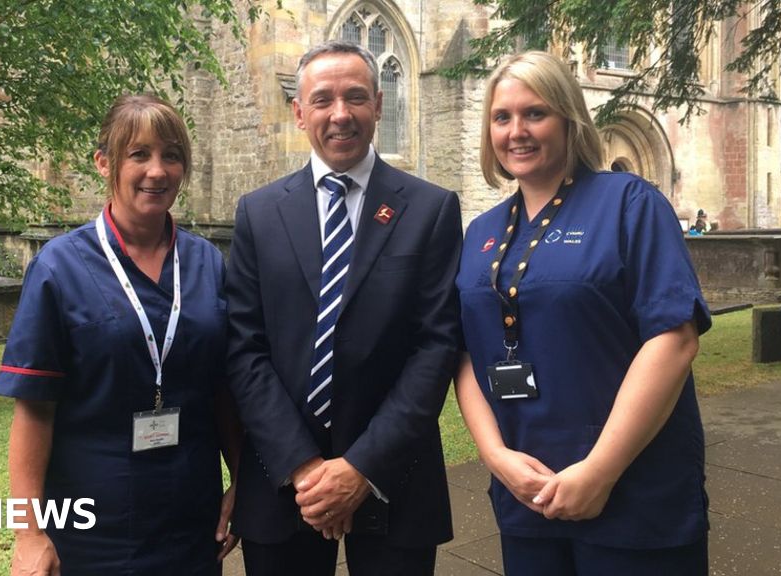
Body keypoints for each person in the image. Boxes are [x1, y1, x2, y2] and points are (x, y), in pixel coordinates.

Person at [454, 51, 712, 575]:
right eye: (502, 117)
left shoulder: (630, 203)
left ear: (570, 119)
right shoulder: (481, 231)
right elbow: (461, 351)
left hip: (633, 495)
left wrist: (599, 471)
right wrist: (495, 457)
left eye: (536, 113)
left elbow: (675, 337)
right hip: (527, 493)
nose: (516, 131)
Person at [225, 41, 462, 576]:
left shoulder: (431, 210)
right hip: (285, 480)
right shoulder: (258, 214)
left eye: (355, 98)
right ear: (299, 111)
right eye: (323, 99)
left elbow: (436, 346)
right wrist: (307, 468)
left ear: (379, 104)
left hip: (394, 476)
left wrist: (359, 468)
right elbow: (244, 348)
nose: (340, 114)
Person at [0, 94, 240, 575]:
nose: (158, 170)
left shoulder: (207, 262)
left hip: (191, 518)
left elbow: (224, 389)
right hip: (93, 523)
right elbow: (34, 406)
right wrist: (29, 532)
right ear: (104, 162)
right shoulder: (59, 266)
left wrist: (243, 480)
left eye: (172, 155)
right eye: (139, 154)